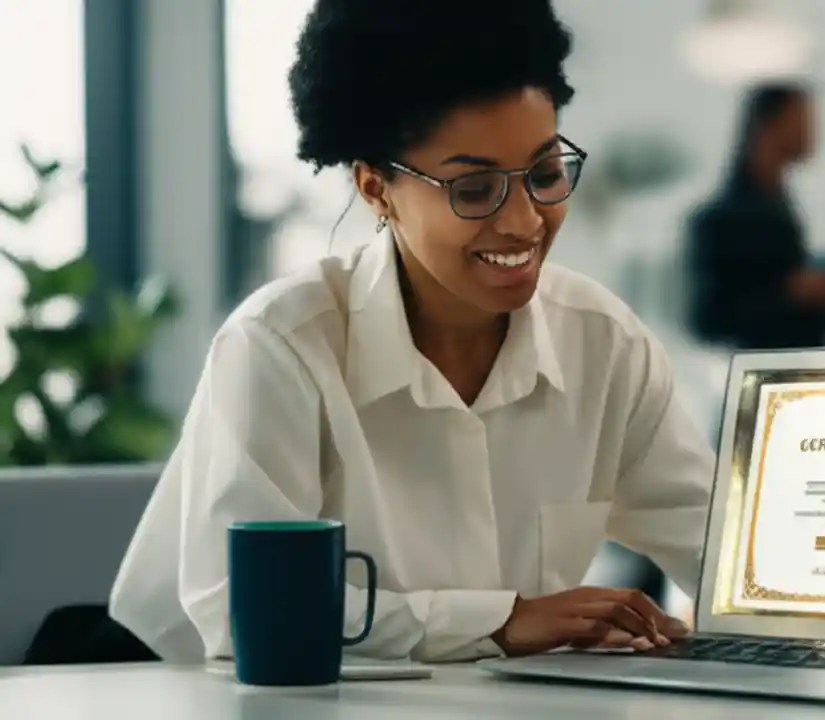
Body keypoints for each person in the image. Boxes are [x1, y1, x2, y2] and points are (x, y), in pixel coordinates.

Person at [110, 0, 712, 663]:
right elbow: (243, 606)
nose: (524, 222)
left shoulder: (603, 343)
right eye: (476, 189)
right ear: (375, 189)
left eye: (543, 175)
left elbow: (723, 553)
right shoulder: (282, 346)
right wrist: (501, 623)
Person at [686, 84, 825, 350]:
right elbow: (709, 320)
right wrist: (792, 294)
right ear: (770, 123)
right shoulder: (721, 220)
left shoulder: (785, 209)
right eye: (803, 119)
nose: (813, 132)